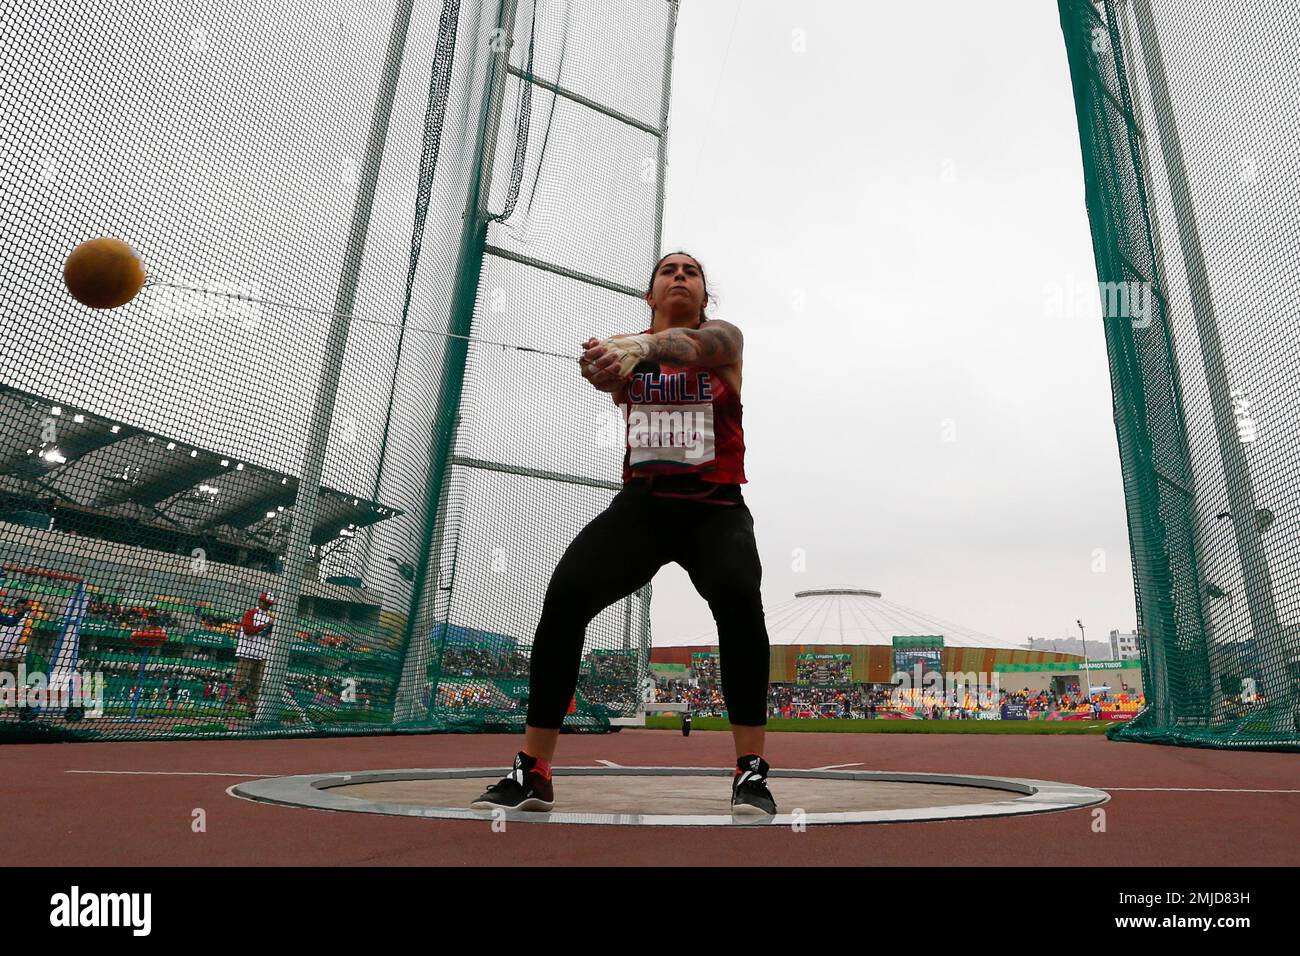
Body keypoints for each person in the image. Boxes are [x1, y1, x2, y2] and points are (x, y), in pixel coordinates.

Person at [472, 252, 776, 816]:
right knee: (564, 601)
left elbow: (693, 347)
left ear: (705, 297)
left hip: (715, 507)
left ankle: (750, 772)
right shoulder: (627, 351)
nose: (680, 275)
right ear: (651, 295)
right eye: (668, 271)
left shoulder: (724, 342)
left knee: (740, 606)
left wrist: (639, 348)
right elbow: (609, 377)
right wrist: (603, 369)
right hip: (644, 506)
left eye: (691, 271)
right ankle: (534, 769)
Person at [231, 591, 275, 718]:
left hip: (262, 655)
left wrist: (271, 628)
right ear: (260, 601)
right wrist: (265, 626)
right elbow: (248, 630)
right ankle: (226, 711)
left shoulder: (270, 617)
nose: (267, 605)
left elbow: (271, 637)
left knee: (256, 686)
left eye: (269, 604)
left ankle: (252, 712)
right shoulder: (250, 613)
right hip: (247, 653)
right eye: (265, 602)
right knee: (238, 683)